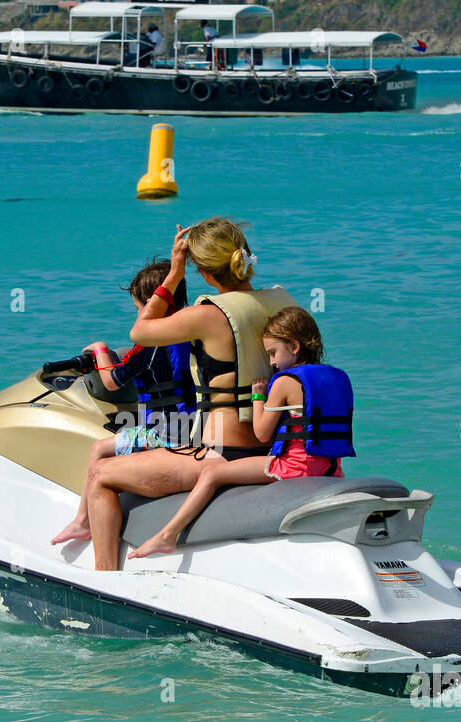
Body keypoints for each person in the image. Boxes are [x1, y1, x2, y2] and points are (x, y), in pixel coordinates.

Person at [74, 217, 300, 571]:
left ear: (206, 274)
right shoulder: (283, 300)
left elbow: (141, 331)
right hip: (273, 445)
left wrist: (174, 272)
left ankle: (106, 583)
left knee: (101, 474)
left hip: (224, 452)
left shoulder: (208, 315)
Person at [128, 307, 353, 559]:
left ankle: (167, 535)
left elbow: (262, 434)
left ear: (294, 345)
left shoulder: (284, 382)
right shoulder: (337, 377)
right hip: (332, 469)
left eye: (272, 353)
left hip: (293, 467)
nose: (272, 362)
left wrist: (258, 395)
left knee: (212, 473)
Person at [51, 259, 193, 545]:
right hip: (193, 428)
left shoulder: (149, 344)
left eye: (140, 308)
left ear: (154, 306)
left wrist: (101, 350)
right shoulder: (192, 332)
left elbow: (113, 380)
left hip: (165, 436)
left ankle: (82, 521)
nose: (139, 316)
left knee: (98, 449)